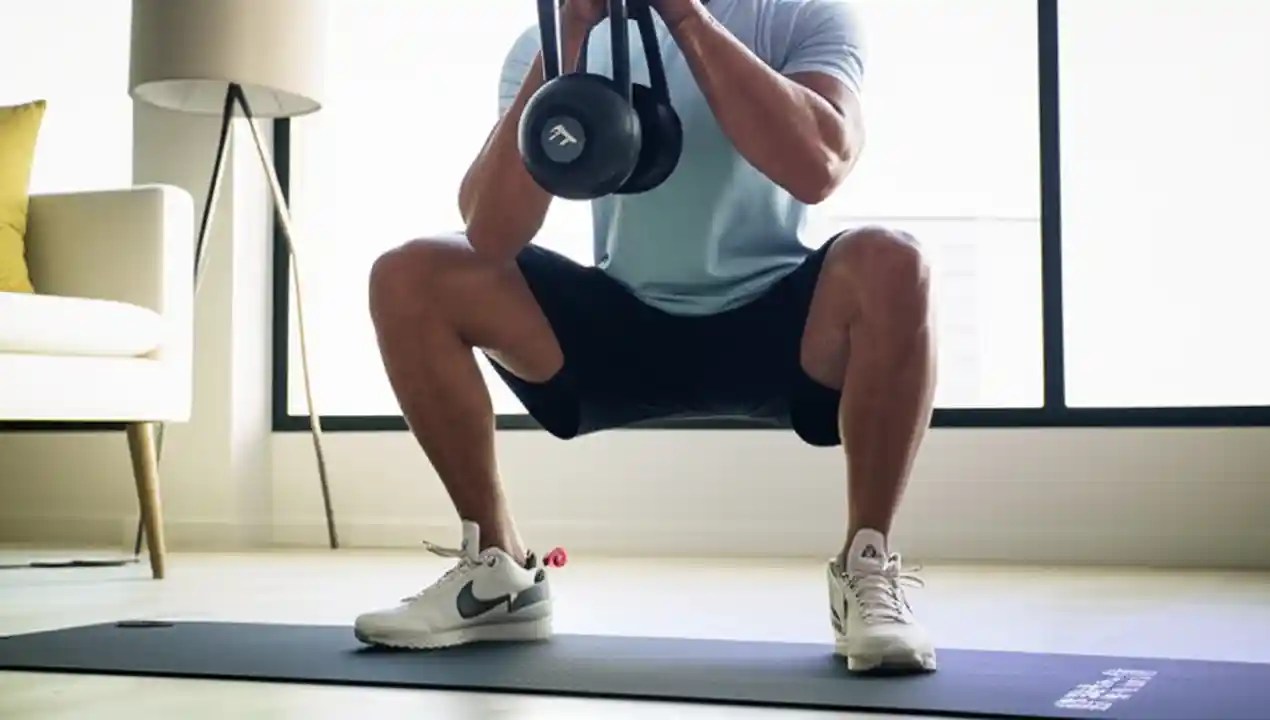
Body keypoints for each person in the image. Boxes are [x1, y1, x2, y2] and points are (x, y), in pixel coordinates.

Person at [356, 0, 937, 674]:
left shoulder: (800, 17)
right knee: (411, 275)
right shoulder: (547, 38)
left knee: (894, 261)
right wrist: (569, 34)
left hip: (780, 331)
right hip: (619, 330)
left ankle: (867, 567)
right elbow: (491, 232)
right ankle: (498, 576)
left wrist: (686, 18)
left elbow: (820, 164)